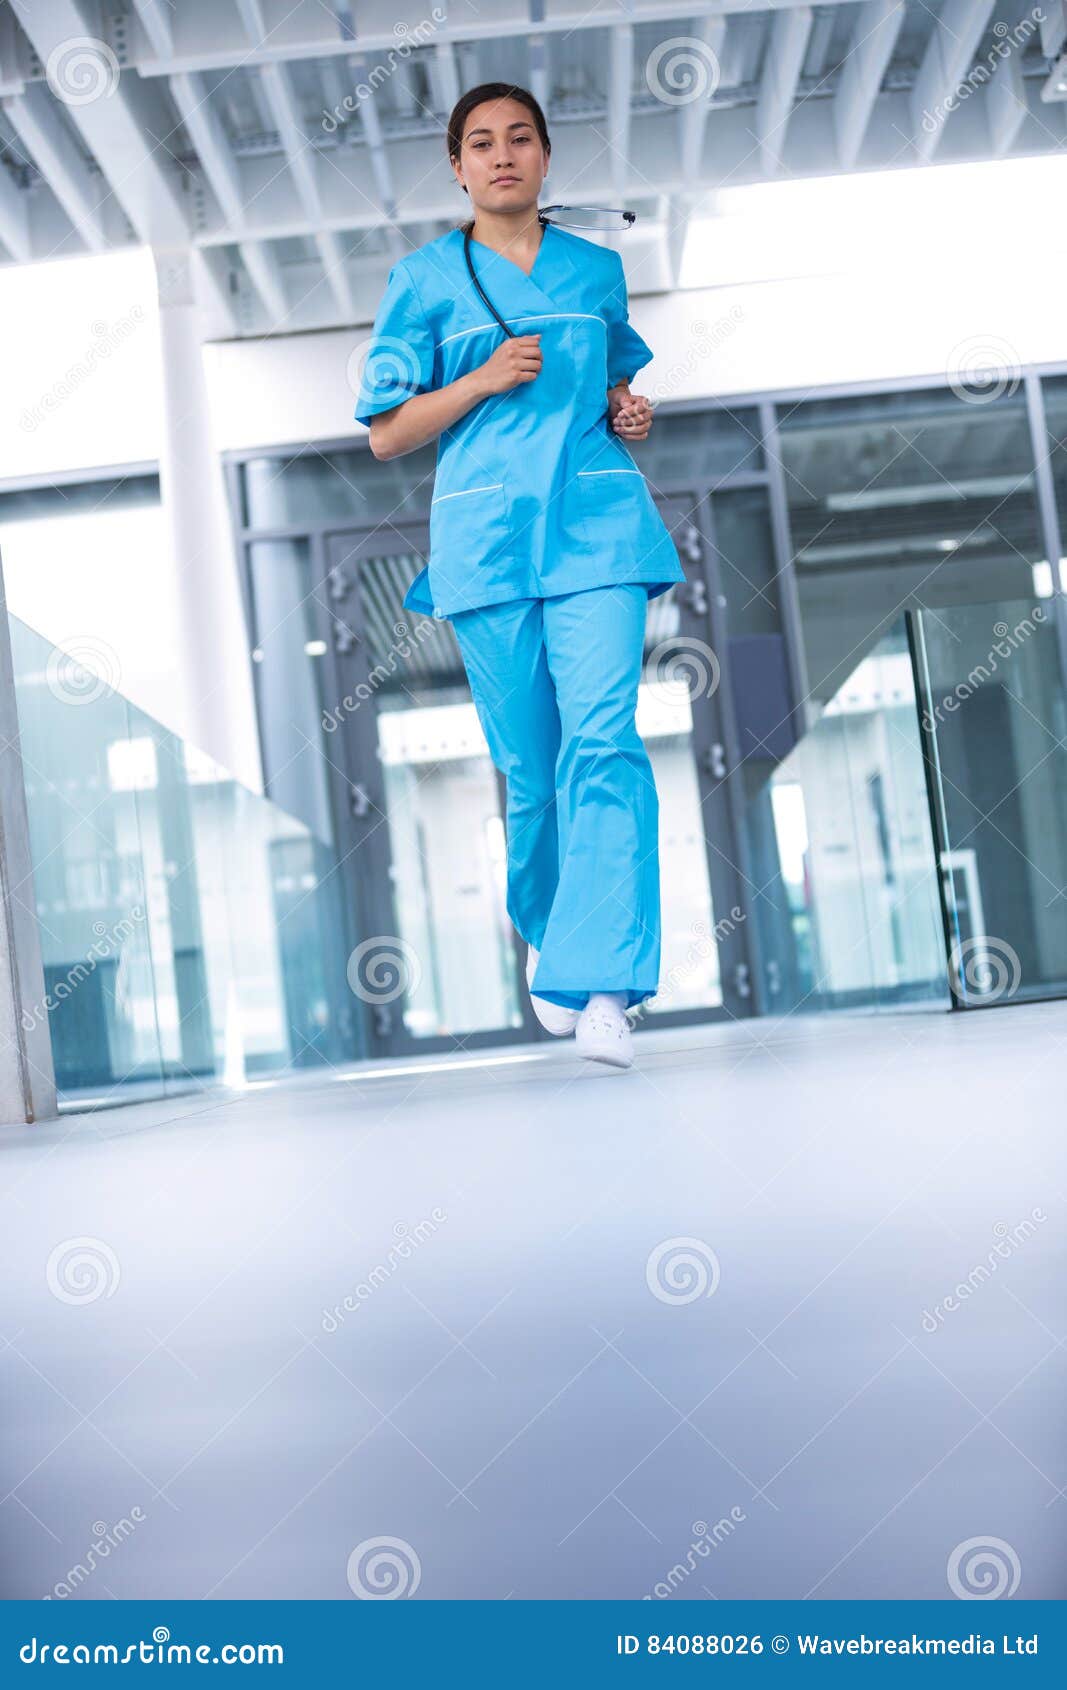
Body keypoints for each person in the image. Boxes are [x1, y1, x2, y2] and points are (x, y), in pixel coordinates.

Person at [353, 82, 685, 1070]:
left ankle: (604, 987)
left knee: (604, 741)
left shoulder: (595, 268)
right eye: (481, 143)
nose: (502, 155)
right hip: (488, 541)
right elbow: (385, 434)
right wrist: (480, 379)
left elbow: (610, 383)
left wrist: (628, 410)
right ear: (457, 167)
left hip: (594, 528)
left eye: (520, 138)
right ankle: (548, 930)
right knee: (532, 773)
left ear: (544, 156)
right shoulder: (420, 280)